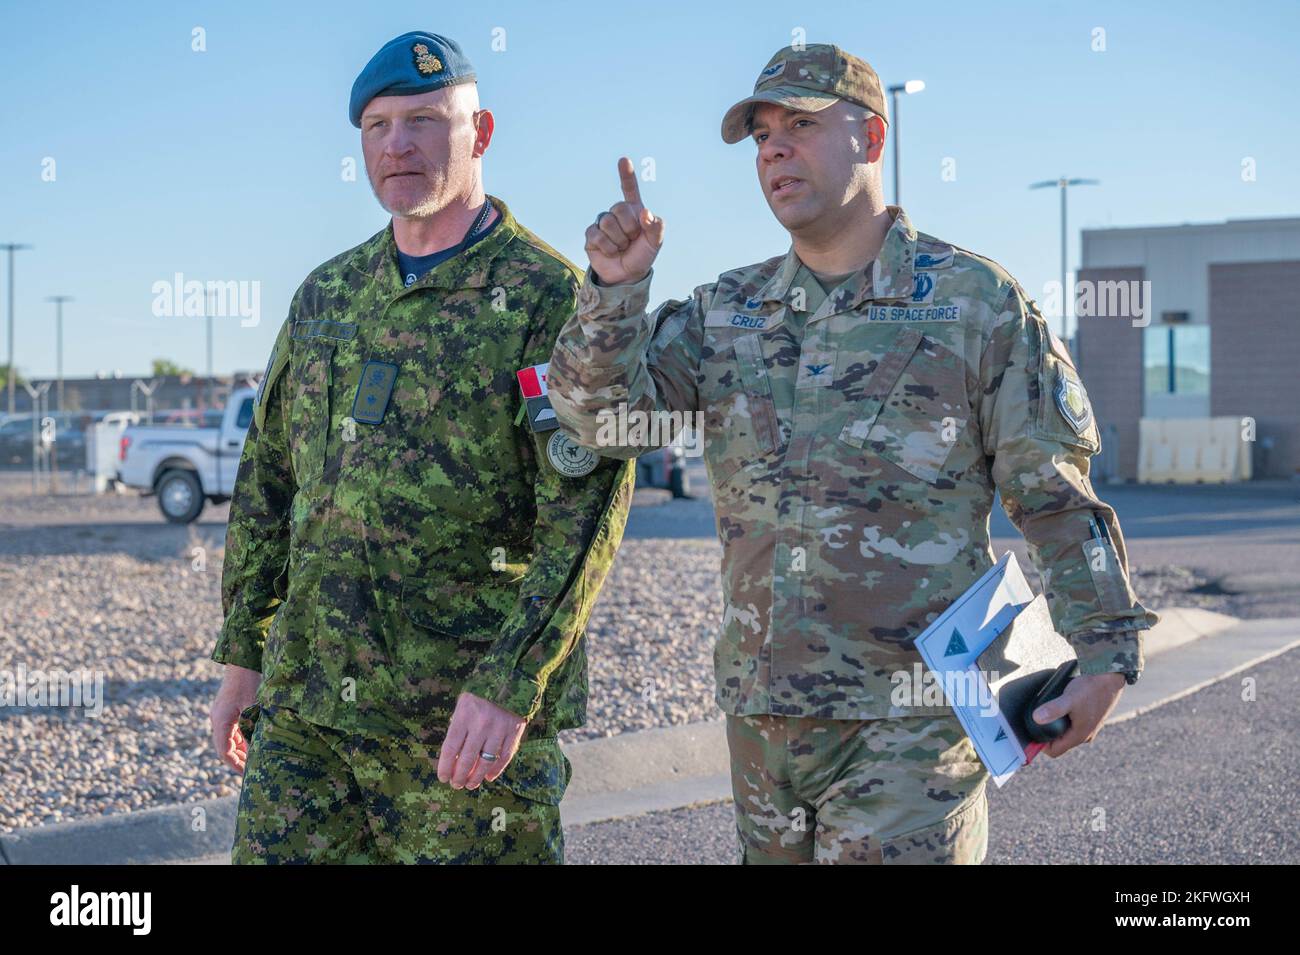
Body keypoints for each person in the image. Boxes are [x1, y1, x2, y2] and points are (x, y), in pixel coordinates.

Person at [547, 43, 1158, 864]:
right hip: (764, 723)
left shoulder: (972, 304)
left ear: (871, 141)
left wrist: (1107, 651)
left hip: (911, 725)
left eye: (800, 124)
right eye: (761, 135)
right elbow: (600, 423)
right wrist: (613, 289)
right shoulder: (725, 310)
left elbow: (1048, 489)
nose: (773, 150)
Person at [207, 30, 633, 864]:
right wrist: (243, 653)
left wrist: (511, 682)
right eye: (378, 125)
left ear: (482, 133)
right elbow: (267, 480)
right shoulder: (328, 294)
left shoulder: (546, 296)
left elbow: (584, 515)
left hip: (459, 727)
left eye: (426, 120)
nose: (398, 145)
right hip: (308, 715)